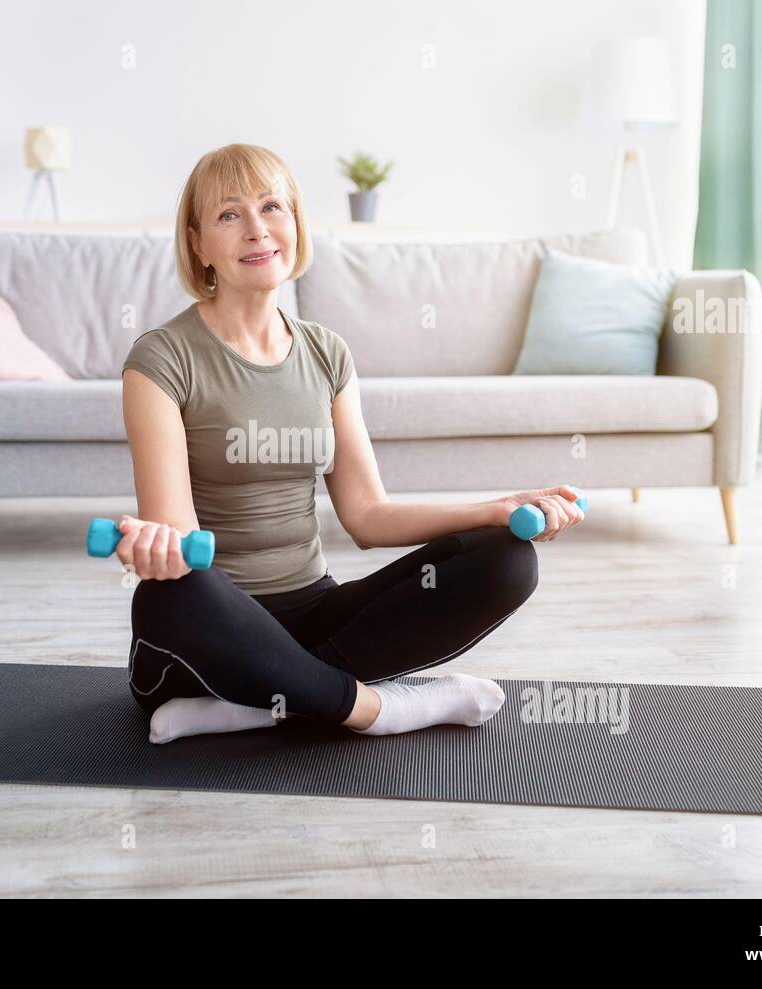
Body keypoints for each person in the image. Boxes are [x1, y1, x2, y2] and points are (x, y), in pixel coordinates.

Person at [118, 143, 584, 744]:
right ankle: (379, 710)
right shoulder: (160, 359)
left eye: (272, 207)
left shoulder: (326, 354)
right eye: (230, 215)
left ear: (295, 222)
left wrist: (493, 510)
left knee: (508, 559)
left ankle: (265, 703)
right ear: (199, 242)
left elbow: (368, 515)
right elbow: (180, 539)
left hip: (313, 618)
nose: (258, 230)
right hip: (205, 640)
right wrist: (163, 551)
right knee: (171, 595)